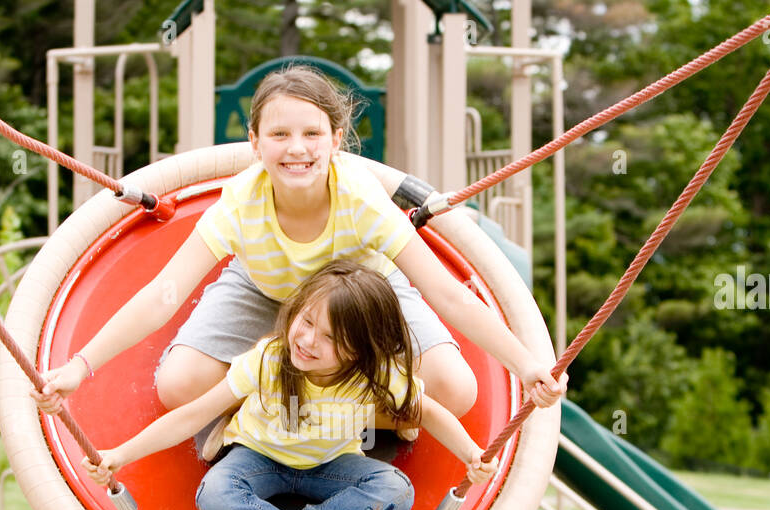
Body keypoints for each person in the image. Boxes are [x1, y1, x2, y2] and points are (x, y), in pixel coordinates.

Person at [31, 64, 567, 449]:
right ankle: (304, 410)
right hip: (267, 289)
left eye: (312, 133)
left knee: (454, 391)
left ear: (336, 139)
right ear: (255, 142)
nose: (297, 148)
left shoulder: (359, 197)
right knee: (178, 386)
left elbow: (444, 290)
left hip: (363, 293)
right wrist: (81, 366)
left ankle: (302, 414)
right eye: (279, 134)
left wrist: (527, 366)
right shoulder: (242, 200)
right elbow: (166, 292)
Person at [78, 261, 510, 510]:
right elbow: (191, 414)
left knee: (397, 490)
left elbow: (431, 411)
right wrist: (120, 454)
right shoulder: (270, 359)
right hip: (257, 458)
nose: (307, 341)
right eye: (306, 322)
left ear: (361, 351)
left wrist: (472, 453)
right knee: (215, 493)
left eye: (329, 338)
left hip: (330, 466)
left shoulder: (375, 376)